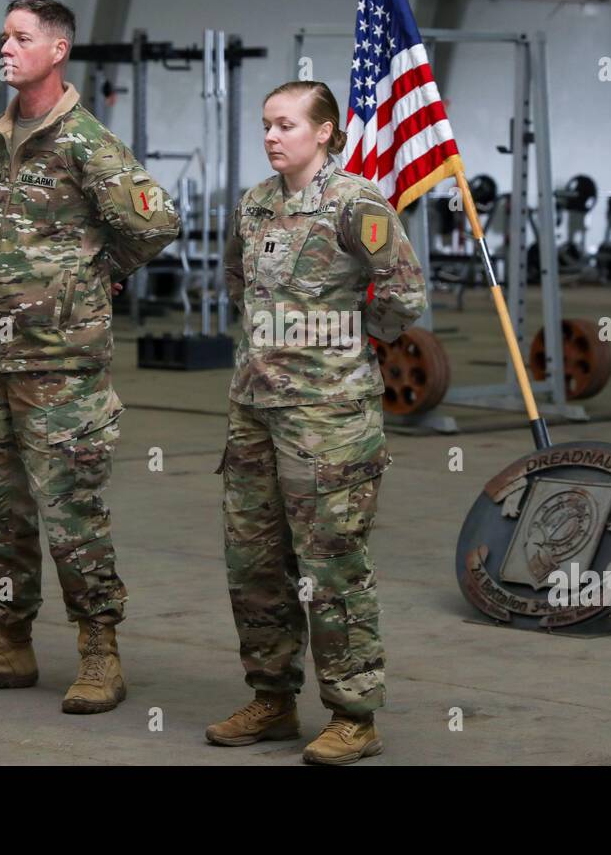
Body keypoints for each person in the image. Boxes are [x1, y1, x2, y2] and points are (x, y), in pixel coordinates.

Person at [0, 0, 178, 714]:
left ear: (58, 50)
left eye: (21, 37)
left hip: (62, 366)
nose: (5, 47)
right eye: (2, 35)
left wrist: (96, 272)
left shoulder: (86, 142)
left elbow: (156, 220)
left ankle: (100, 651)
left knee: (71, 515)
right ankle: (7, 642)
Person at [206, 80, 425, 764]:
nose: (272, 137)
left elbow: (403, 295)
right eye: (266, 125)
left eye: (287, 125)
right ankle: (271, 698)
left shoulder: (355, 203)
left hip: (328, 419)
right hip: (254, 409)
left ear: (325, 131)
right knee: (254, 561)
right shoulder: (254, 204)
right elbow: (237, 283)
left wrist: (344, 347)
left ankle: (353, 714)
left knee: (330, 567)